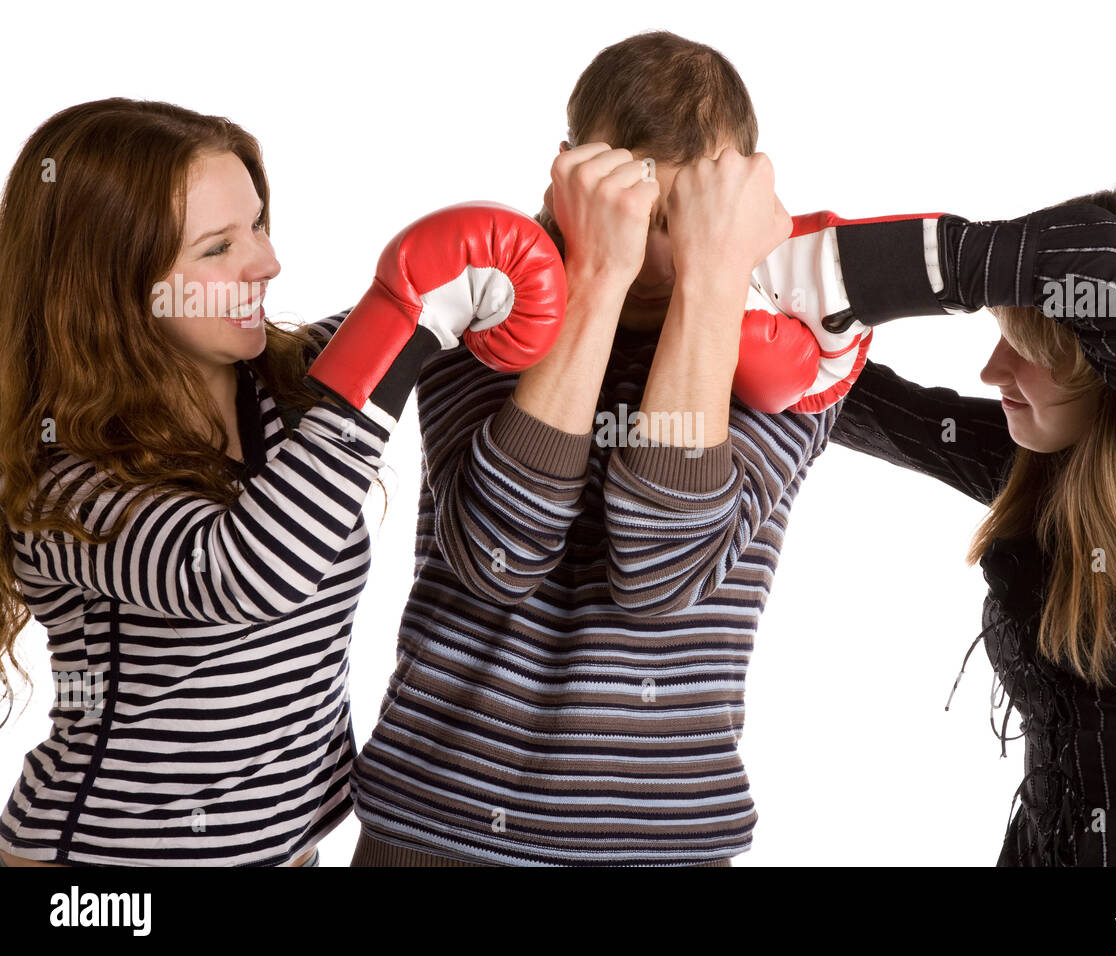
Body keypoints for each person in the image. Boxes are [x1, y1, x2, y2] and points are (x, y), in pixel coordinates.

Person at [0, 98, 560, 865]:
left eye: (258, 225)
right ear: (113, 284)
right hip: (104, 874)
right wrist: (410, 326)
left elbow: (451, 294)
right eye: (218, 246)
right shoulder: (62, 482)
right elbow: (247, 572)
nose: (267, 262)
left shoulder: (288, 388)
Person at [345, 30, 845, 867]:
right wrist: (597, 279)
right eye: (633, 209)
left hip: (664, 843)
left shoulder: (799, 356)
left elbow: (661, 573)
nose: (657, 249)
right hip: (438, 828)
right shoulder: (484, 311)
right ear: (572, 180)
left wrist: (716, 281)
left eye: (685, 219)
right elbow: (500, 555)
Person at [819, 184, 1116, 865]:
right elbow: (865, 406)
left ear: (1115, 356)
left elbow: (1108, 261)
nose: (992, 371)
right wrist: (729, 310)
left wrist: (843, 269)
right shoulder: (1050, 469)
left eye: (1031, 348)